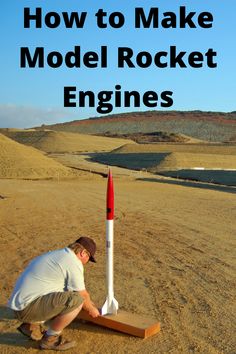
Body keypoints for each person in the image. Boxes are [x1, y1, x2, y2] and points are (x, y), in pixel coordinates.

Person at [8, 236, 100, 351]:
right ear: (83, 253)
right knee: (76, 300)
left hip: (21, 305)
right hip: (26, 309)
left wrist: (89, 303)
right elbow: (82, 295)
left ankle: (31, 326)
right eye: (89, 258)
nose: (87, 262)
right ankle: (50, 339)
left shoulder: (58, 255)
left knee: (67, 292)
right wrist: (92, 309)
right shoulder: (73, 261)